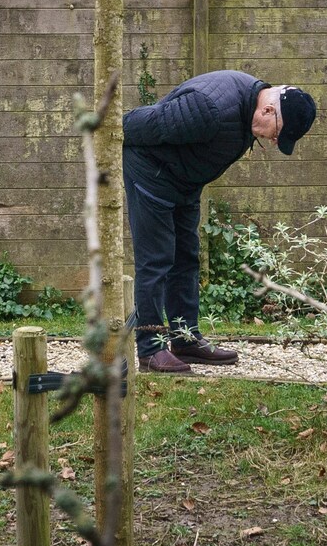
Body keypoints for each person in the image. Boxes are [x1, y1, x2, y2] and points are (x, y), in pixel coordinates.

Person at [119, 70, 316, 373]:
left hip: (184, 183)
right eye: (276, 134)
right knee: (156, 260)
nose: (273, 142)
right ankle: (150, 349)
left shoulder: (247, 108)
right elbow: (131, 127)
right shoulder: (209, 108)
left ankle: (185, 340)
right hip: (152, 175)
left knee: (186, 259)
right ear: (268, 110)